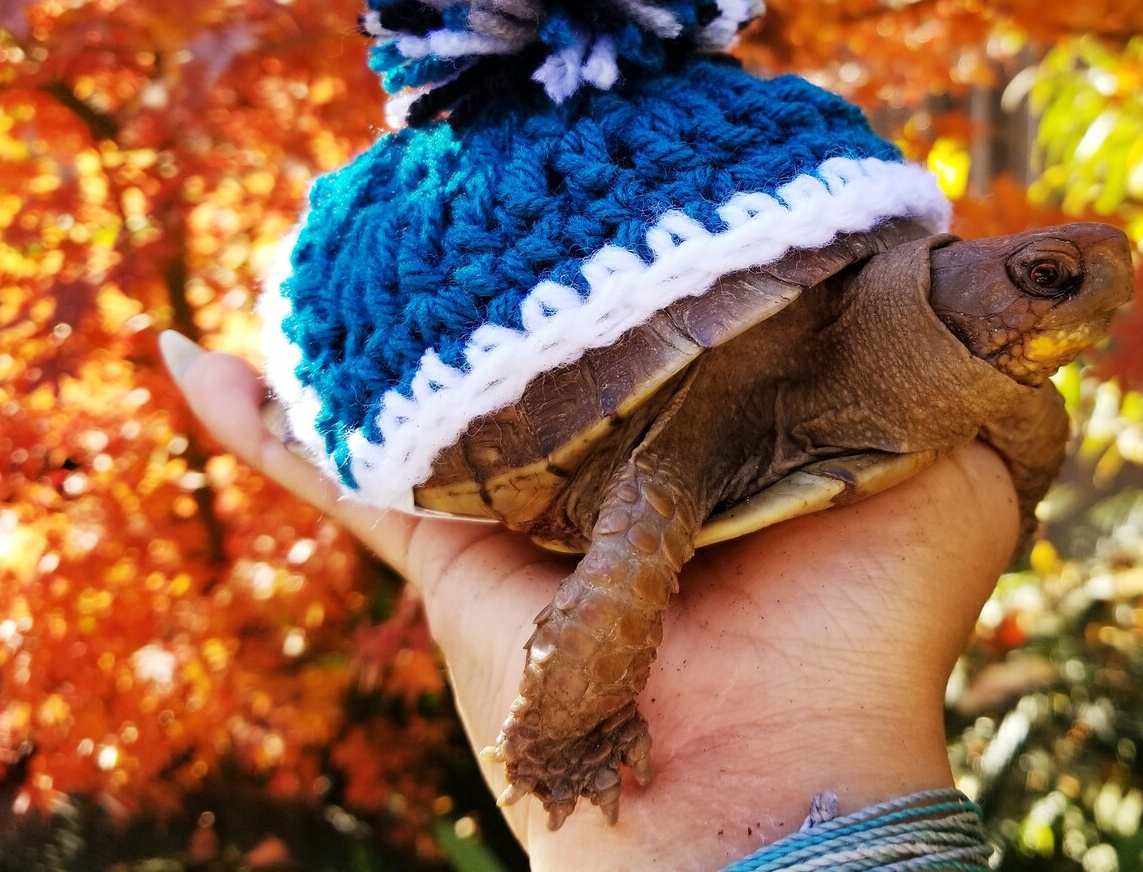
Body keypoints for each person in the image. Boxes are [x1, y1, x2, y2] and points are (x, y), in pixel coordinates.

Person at [163, 331, 1018, 871]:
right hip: (560, 391)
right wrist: (561, 724)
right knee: (636, 538)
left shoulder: (946, 403)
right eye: (1044, 276)